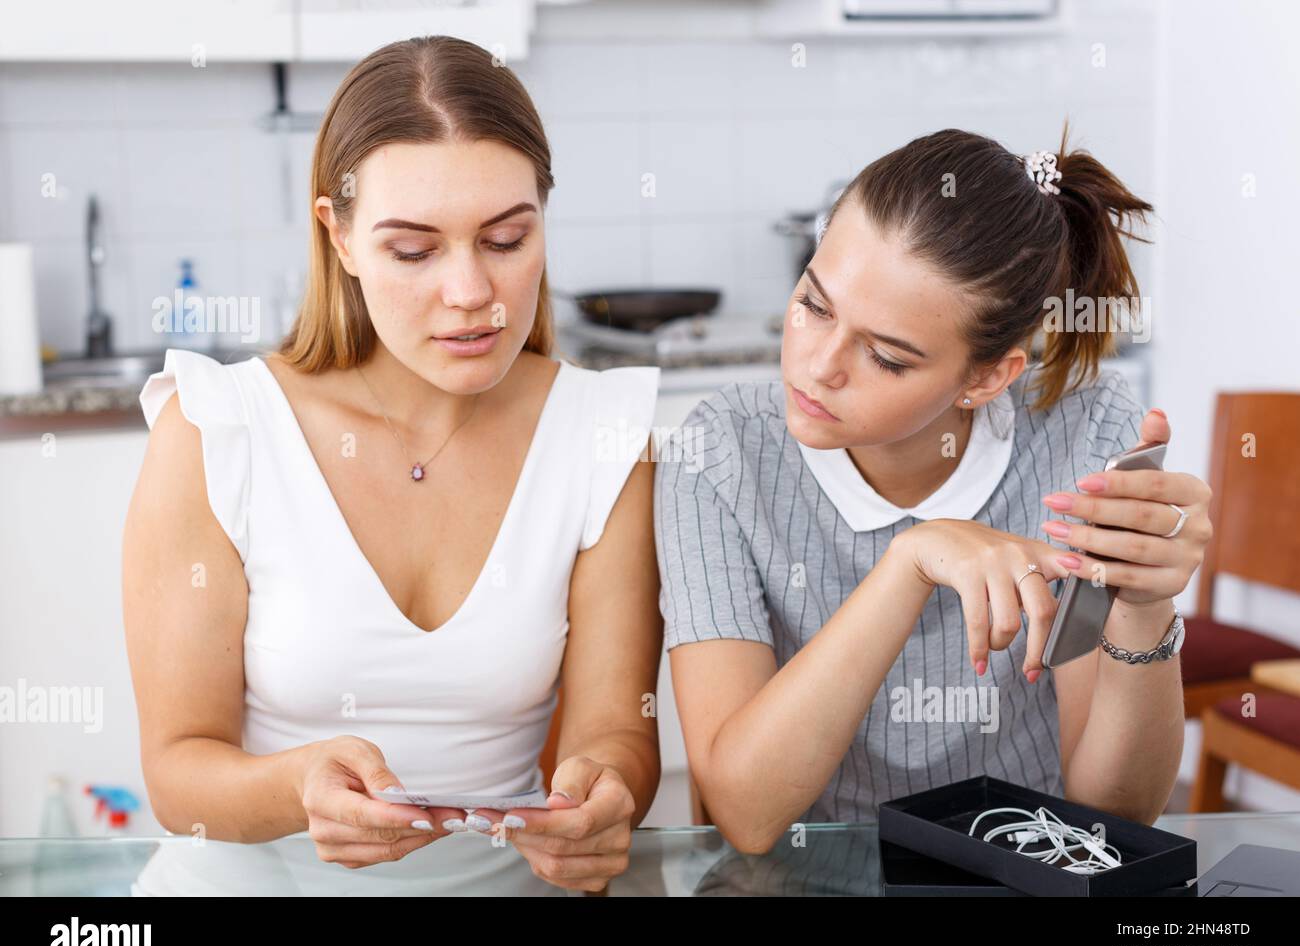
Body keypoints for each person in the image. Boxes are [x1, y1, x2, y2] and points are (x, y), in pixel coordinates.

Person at [123, 36, 662, 895]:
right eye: (414, 251)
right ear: (337, 237)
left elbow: (615, 729)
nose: (471, 292)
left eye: (507, 238)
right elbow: (177, 771)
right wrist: (298, 786)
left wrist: (609, 790)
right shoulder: (218, 426)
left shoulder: (603, 433)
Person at [654, 128, 1212, 854]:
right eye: (813, 304)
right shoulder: (721, 449)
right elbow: (748, 810)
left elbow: (1114, 812)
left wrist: (1144, 607)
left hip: (1024, 863)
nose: (817, 366)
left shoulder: (1086, 428)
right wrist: (910, 562)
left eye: (885, 356)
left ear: (986, 379)